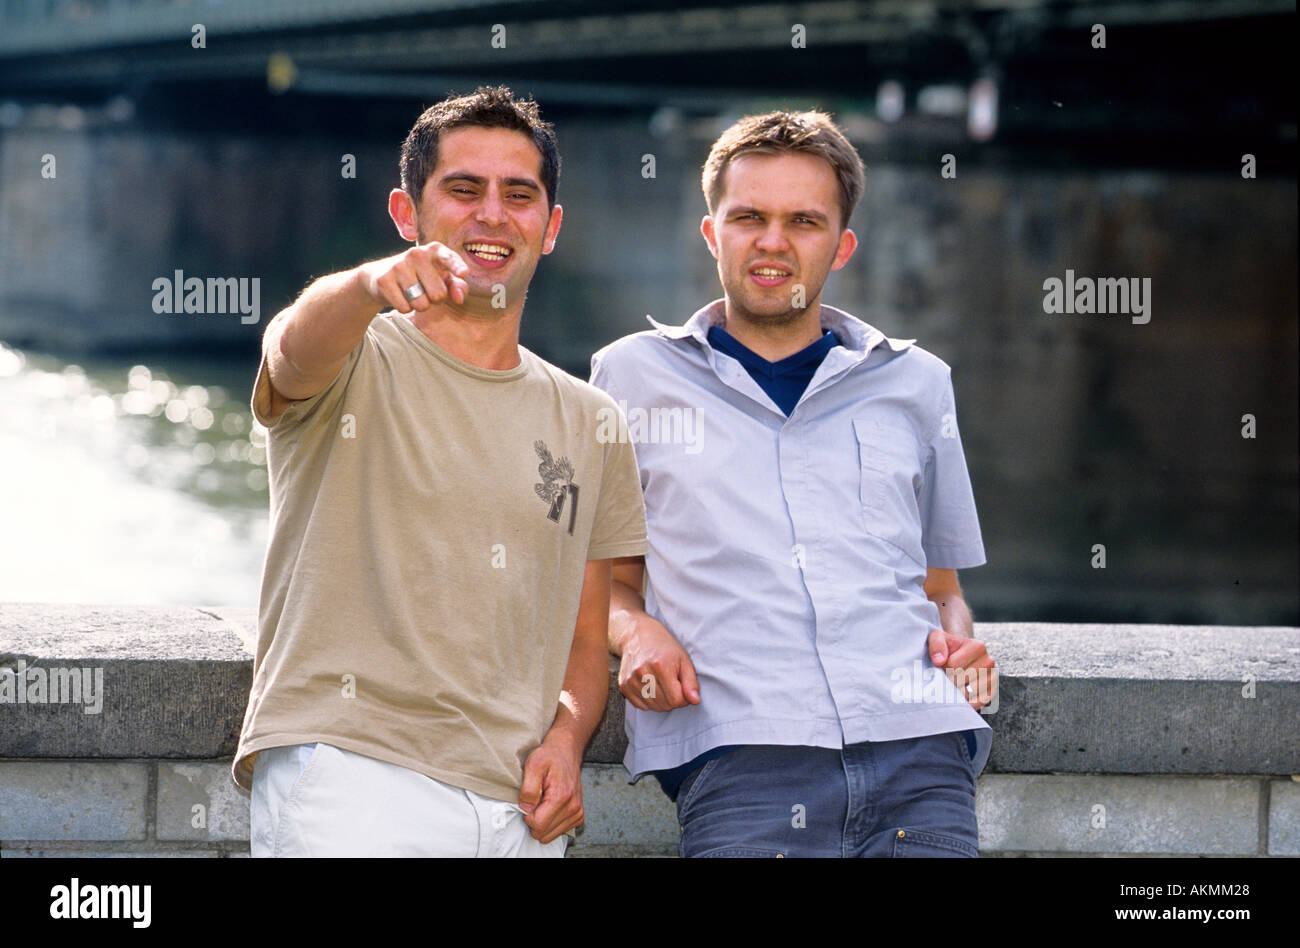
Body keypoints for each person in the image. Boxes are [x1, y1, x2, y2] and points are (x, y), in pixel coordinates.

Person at [231, 86, 647, 857]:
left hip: (518, 811)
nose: (492, 215)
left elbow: (586, 638)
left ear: (549, 228)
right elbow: (290, 349)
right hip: (352, 781)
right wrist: (364, 285)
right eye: (463, 189)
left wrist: (565, 738)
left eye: (519, 196)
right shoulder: (353, 355)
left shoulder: (593, 419)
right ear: (405, 214)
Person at [591, 110, 997, 858]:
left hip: (921, 757)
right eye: (749, 216)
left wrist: (960, 640)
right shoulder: (629, 378)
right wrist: (637, 629)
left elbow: (941, 588)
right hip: (745, 762)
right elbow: (605, 584)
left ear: (840, 245)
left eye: (803, 221)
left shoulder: (917, 383)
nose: (773, 242)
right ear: (712, 234)